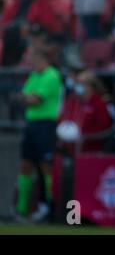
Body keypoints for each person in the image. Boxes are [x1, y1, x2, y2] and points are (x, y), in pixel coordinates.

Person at [15, 48, 63, 222]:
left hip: (46, 125)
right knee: (25, 164)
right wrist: (25, 98)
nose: (31, 63)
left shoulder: (51, 75)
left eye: (33, 59)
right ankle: (21, 209)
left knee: (46, 166)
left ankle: (51, 208)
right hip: (31, 125)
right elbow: (25, 96)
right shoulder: (34, 76)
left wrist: (24, 99)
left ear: (43, 59)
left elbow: (34, 99)